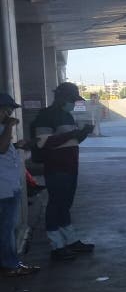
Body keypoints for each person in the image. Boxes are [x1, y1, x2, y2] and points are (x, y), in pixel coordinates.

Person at [32, 82, 95, 260]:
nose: (73, 103)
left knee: (65, 205)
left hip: (70, 167)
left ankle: (70, 240)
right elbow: (42, 142)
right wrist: (72, 134)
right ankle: (56, 246)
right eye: (71, 100)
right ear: (61, 98)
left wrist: (82, 134)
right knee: (55, 205)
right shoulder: (45, 116)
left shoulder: (67, 116)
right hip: (56, 168)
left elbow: (71, 142)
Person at [0, 92, 40, 276]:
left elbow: (5, 149)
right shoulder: (5, 126)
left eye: (9, 111)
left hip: (10, 185)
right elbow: (1, 149)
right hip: (4, 189)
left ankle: (9, 262)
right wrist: (9, 126)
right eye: (5, 110)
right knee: (7, 229)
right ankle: (10, 265)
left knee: (7, 227)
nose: (8, 114)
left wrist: (17, 146)